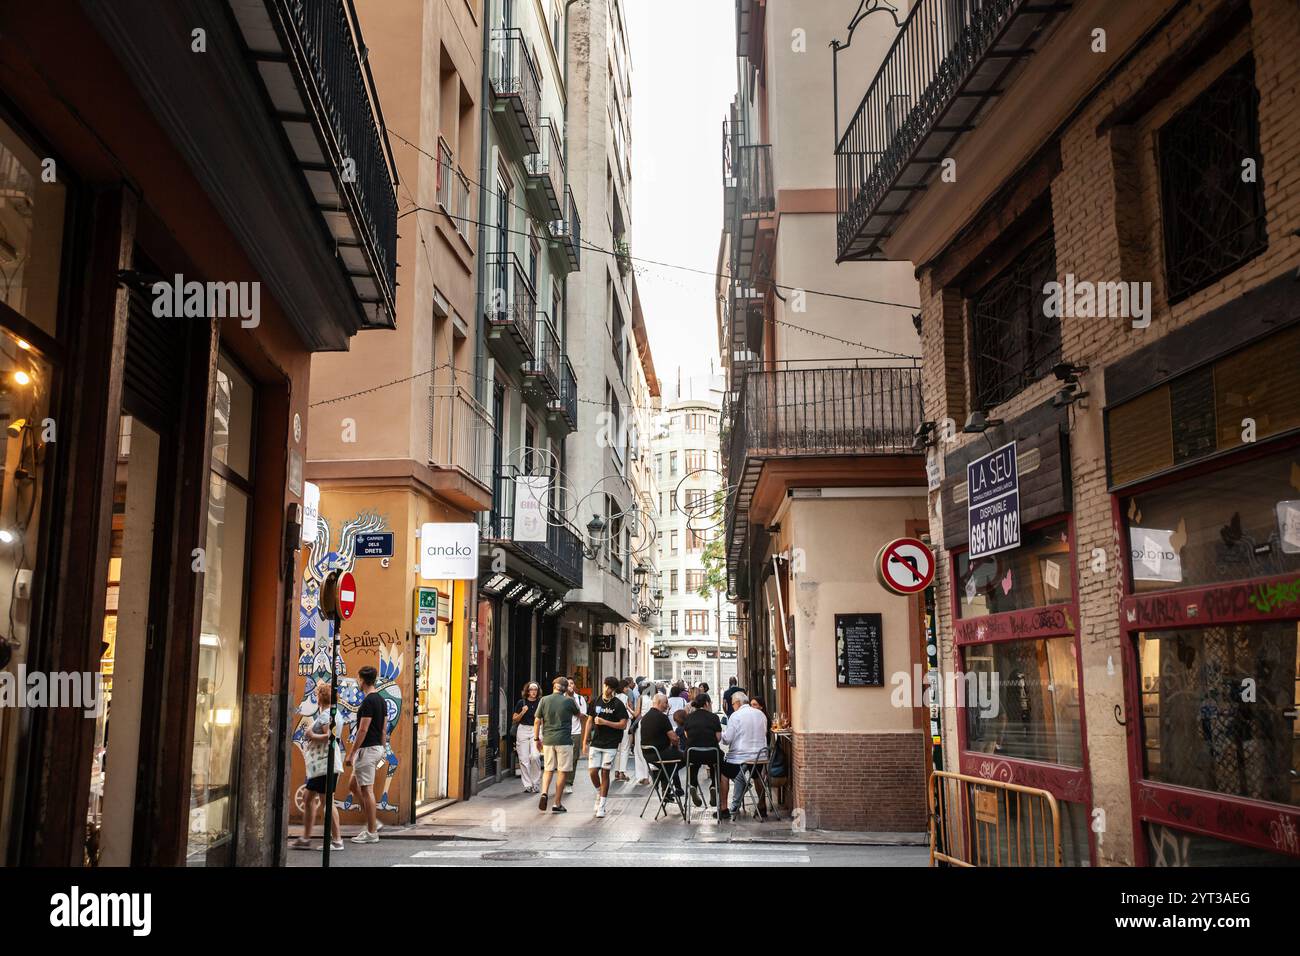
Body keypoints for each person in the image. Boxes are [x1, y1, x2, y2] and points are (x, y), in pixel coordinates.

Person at [291, 683, 344, 851]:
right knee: (308, 798)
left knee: (327, 801)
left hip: (324, 765)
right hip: (321, 765)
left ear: (320, 697)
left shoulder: (327, 716)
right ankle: (306, 837)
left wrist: (311, 735)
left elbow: (330, 737)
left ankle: (337, 840)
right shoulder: (331, 714)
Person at [346, 665, 386, 844]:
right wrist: (383, 748)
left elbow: (363, 729)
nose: (357, 681)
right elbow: (384, 729)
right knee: (353, 785)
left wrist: (351, 753)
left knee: (366, 789)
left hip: (368, 749)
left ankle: (371, 832)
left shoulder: (369, 701)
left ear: (362, 680)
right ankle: (373, 822)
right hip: (376, 748)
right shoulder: (381, 700)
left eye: (358, 678)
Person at [583, 676, 630, 818]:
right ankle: (599, 791)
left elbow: (623, 724)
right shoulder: (596, 701)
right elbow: (589, 721)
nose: (607, 690)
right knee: (592, 771)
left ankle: (602, 805)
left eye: (610, 688)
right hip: (596, 742)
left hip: (611, 743)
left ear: (614, 690)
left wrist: (605, 722)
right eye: (606, 686)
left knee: (605, 772)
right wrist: (585, 741)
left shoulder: (618, 704)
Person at [533, 677, 582, 812]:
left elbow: (537, 721)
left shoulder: (544, 700)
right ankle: (557, 803)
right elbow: (578, 714)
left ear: (554, 686)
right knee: (562, 771)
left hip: (548, 740)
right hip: (564, 740)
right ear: (565, 688)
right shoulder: (569, 701)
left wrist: (537, 739)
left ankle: (544, 793)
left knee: (548, 769)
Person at [719, 691, 769, 820]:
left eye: (732, 704)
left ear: (737, 703)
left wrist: (722, 735)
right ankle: (762, 806)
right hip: (759, 757)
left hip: (740, 758)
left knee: (723, 773)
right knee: (757, 775)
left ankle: (724, 808)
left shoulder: (735, 716)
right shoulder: (761, 715)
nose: (732, 707)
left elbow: (727, 739)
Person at [639, 693, 685, 799]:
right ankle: (669, 783)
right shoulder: (662, 717)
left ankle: (666, 789)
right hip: (660, 754)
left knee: (668, 765)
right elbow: (673, 738)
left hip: (647, 755)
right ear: (659, 703)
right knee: (686, 757)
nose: (667, 705)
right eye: (666, 703)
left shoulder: (645, 717)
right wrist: (676, 744)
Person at [683, 693, 723, 812]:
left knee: (693, 763)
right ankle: (714, 785)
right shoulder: (714, 717)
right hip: (711, 753)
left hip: (692, 753)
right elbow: (718, 738)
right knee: (717, 760)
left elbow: (687, 735)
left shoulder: (689, 717)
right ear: (706, 703)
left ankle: (693, 785)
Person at [512, 681, 543, 793]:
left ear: (538, 691)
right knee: (524, 759)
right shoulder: (521, 702)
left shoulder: (541, 702)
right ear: (527, 691)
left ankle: (536, 783)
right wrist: (522, 712)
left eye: (535, 689)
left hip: (536, 730)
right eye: (531, 689)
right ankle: (528, 785)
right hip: (523, 730)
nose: (533, 692)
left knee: (535, 756)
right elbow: (514, 719)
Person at [564, 676, 587, 794]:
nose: (570, 686)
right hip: (562, 731)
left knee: (574, 758)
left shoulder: (579, 699)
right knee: (562, 758)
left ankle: (569, 782)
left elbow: (583, 715)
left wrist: (574, 710)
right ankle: (562, 780)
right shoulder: (560, 698)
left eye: (571, 684)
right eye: (567, 684)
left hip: (576, 732)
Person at [632, 679, 653, 785]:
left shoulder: (641, 698)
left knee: (639, 750)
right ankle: (651, 774)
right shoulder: (655, 698)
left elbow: (636, 714)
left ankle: (643, 776)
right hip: (652, 724)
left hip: (642, 724)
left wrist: (629, 709)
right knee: (650, 749)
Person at [614, 678, 634, 782]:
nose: (627, 689)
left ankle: (617, 771)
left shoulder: (614, 697)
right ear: (622, 688)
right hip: (625, 724)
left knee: (617, 749)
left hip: (615, 725)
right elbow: (630, 713)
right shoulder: (625, 698)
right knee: (625, 748)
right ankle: (622, 772)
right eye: (626, 687)